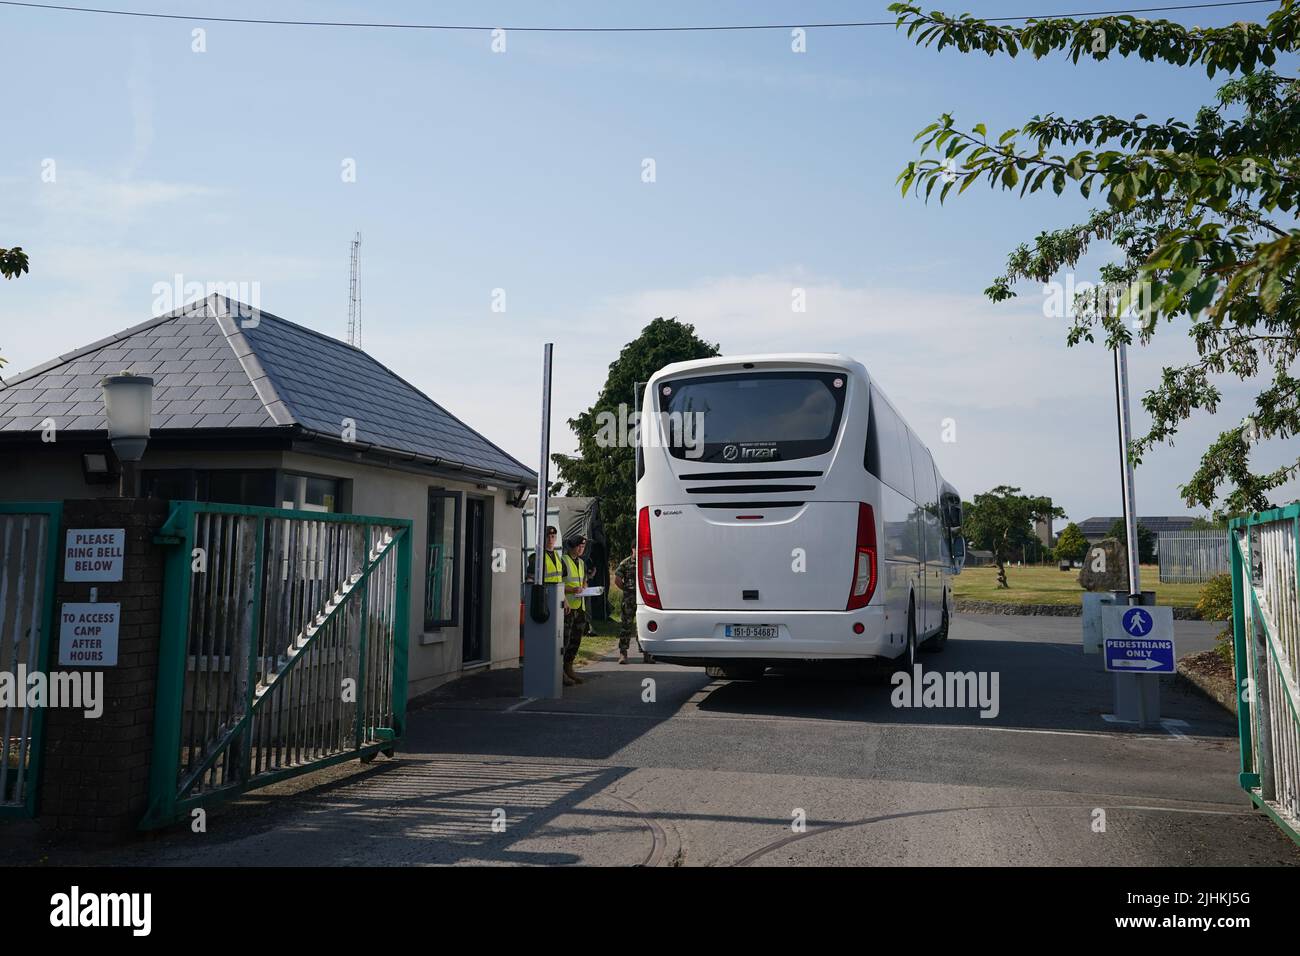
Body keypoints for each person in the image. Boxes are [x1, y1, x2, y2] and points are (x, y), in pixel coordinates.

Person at [561, 534, 589, 686]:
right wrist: (572, 590)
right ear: (572, 546)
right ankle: (560, 672)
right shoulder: (563, 561)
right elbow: (557, 584)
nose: (581, 549)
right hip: (568, 607)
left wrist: (585, 587)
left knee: (575, 640)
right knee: (564, 640)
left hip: (580, 607)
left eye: (583, 546)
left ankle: (569, 668)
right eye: (579, 546)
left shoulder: (582, 563)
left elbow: (584, 581)